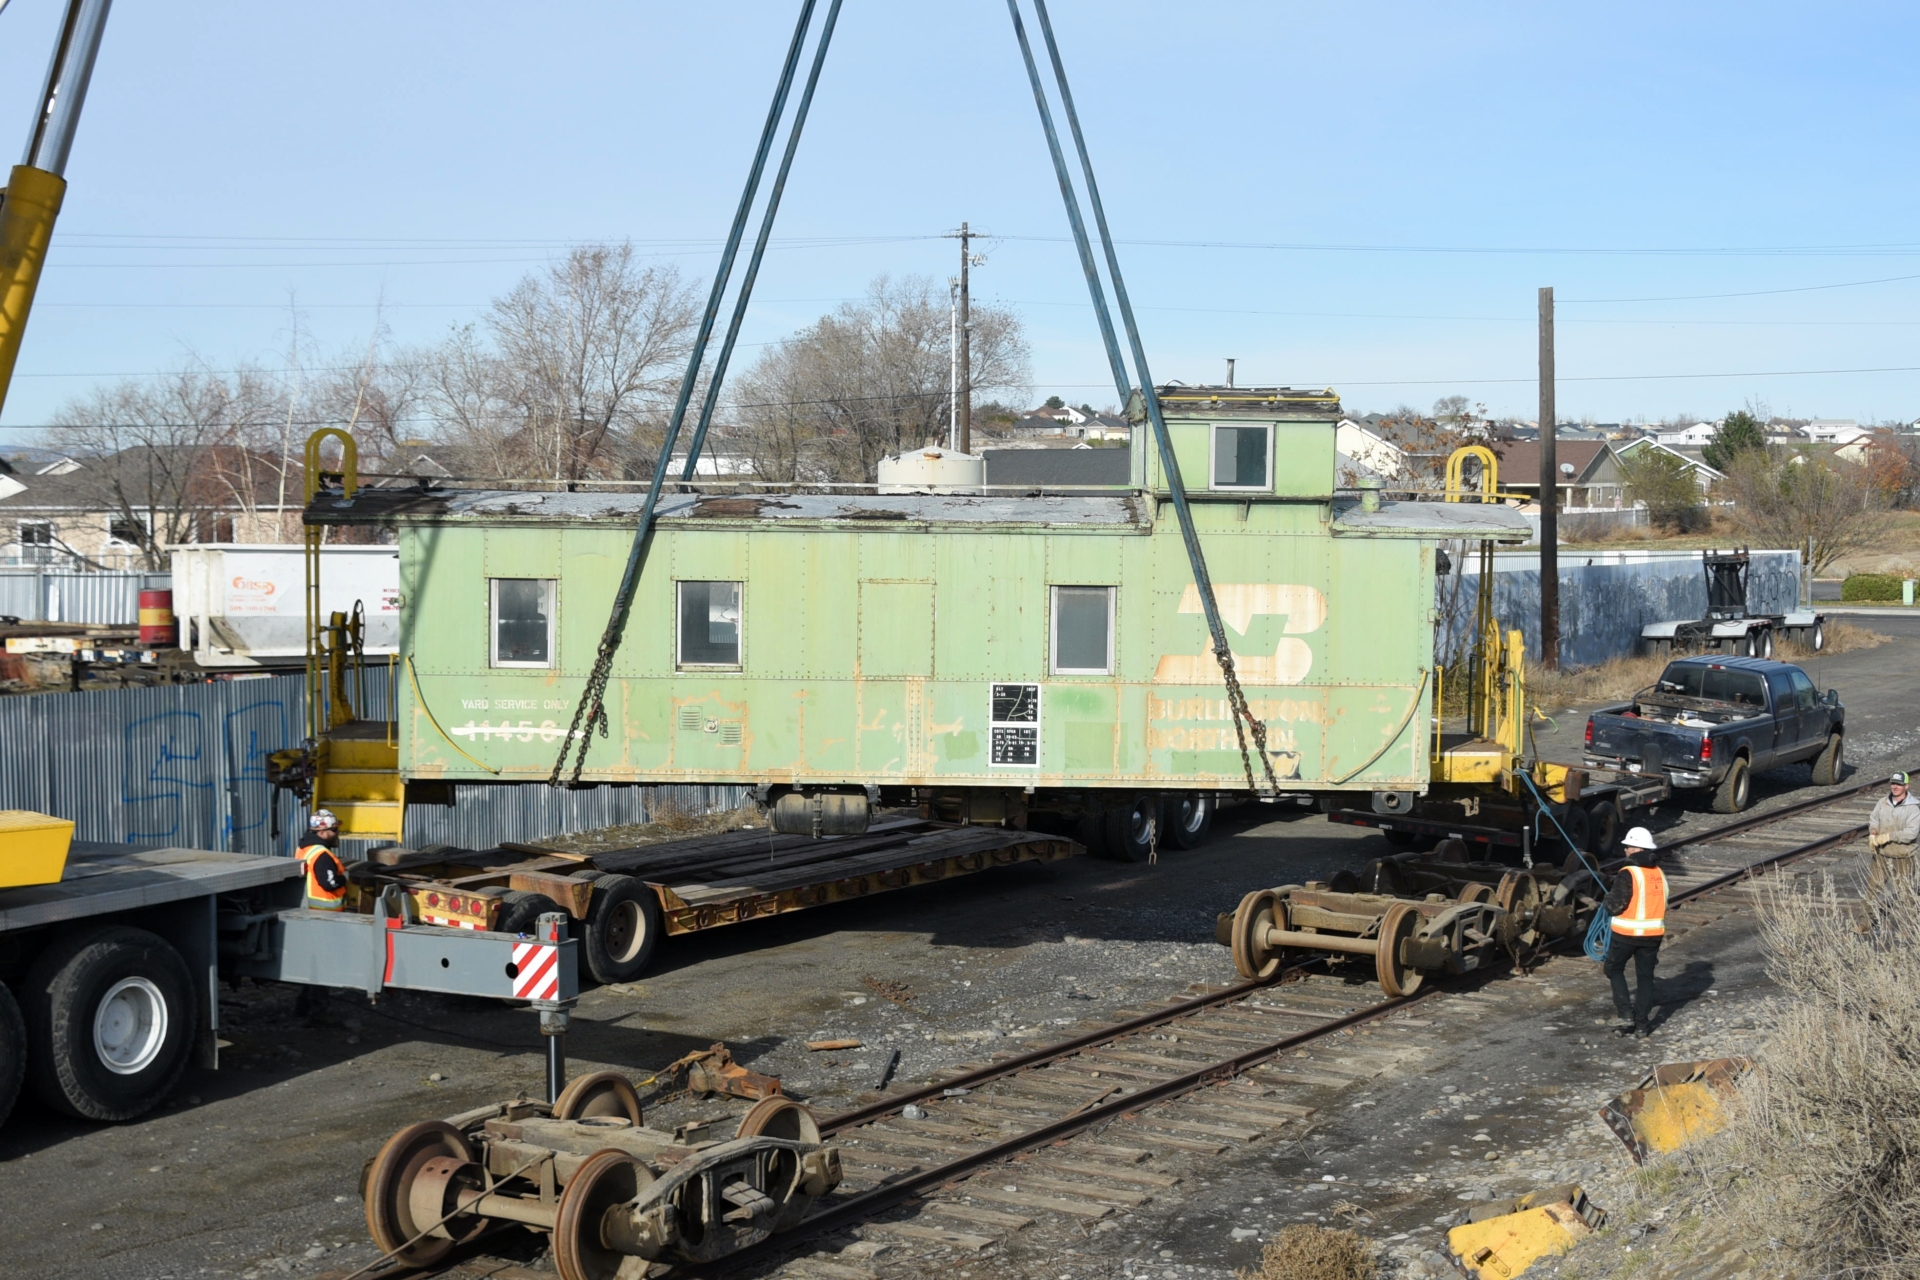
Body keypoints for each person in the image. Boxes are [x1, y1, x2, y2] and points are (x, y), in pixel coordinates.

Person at [1604, 826, 1666, 1038]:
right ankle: (1641, 1025)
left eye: (1627, 846)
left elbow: (1615, 906)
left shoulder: (1628, 872)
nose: (1625, 851)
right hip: (1653, 935)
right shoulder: (1658, 873)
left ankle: (1625, 1015)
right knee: (1645, 977)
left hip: (1627, 933)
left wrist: (1606, 900)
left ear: (1636, 849)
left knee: (1613, 968)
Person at [1867, 771, 1920, 895]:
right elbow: (1874, 819)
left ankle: (1909, 914)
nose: (1895, 787)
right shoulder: (1882, 802)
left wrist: (1889, 836)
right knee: (1872, 891)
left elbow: (1911, 833)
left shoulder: (1913, 808)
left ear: (1906, 786)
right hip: (1881, 855)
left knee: (1906, 893)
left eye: (1899, 784)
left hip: (1903, 857)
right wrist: (1873, 831)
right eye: (1893, 784)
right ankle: (1865, 915)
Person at [297, 809, 349, 911]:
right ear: (322, 833)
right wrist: (344, 878)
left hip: (310, 909)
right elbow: (330, 884)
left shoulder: (304, 848)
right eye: (334, 830)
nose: (338, 832)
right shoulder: (322, 855)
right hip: (326, 912)